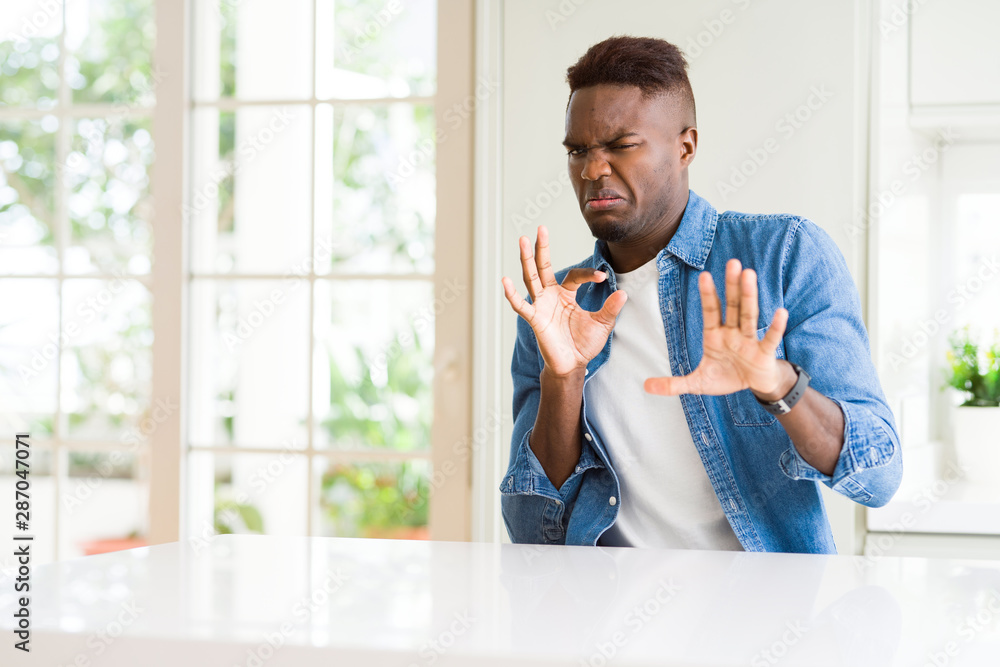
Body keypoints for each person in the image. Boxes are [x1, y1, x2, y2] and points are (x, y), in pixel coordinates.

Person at [498, 35, 901, 554]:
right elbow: (532, 530)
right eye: (578, 150)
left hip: (765, 622)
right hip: (604, 623)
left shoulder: (785, 254)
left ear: (685, 146)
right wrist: (564, 378)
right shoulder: (562, 309)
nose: (592, 169)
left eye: (621, 145)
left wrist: (777, 385)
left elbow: (880, 476)